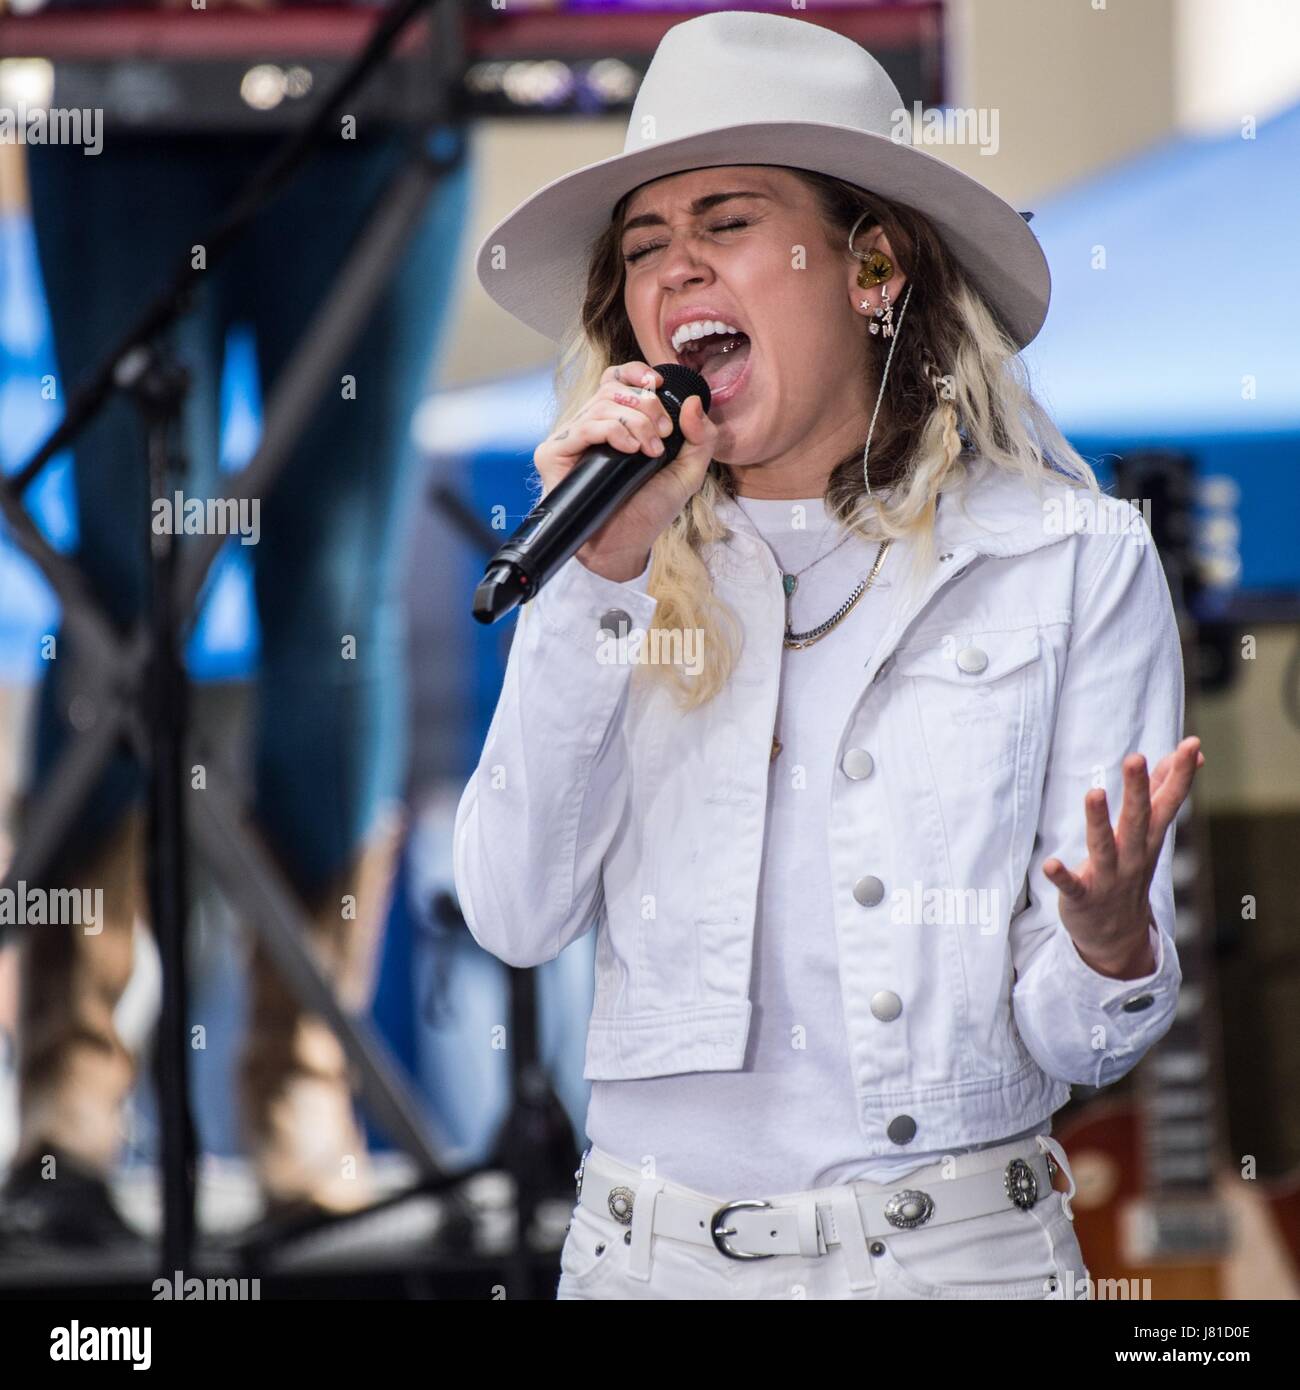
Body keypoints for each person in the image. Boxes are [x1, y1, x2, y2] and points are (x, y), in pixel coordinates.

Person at [453, 10, 1201, 1300]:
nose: (676, 269)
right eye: (645, 246)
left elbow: (1075, 1040)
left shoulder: (1064, 558)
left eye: (727, 223)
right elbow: (516, 914)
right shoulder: (607, 564)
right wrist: (600, 579)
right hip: (647, 1264)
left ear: (872, 267)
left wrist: (1110, 938)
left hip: (957, 1260)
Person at [1, 0, 471, 1246]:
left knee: (331, 590)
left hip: (377, 74)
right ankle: (66, 1098)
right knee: (121, 577)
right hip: (114, 73)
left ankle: (301, 1083)